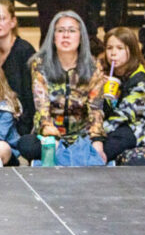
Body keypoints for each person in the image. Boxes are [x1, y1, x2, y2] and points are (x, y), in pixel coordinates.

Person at [19, 11, 105, 164]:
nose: (66, 35)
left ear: (81, 37)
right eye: (60, 30)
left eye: (72, 31)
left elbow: (95, 109)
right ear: (53, 37)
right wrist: (53, 138)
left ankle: (77, 154)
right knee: (26, 144)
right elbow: (42, 107)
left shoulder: (94, 67)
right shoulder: (40, 65)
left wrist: (97, 141)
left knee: (110, 145)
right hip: (49, 135)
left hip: (82, 136)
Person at [101, 27, 145, 160]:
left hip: (134, 128)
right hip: (108, 124)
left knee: (108, 146)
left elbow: (125, 114)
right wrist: (97, 87)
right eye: (109, 48)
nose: (113, 53)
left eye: (120, 48)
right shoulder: (104, 72)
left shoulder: (140, 78)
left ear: (131, 50)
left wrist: (97, 132)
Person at [0, 0, 35, 135]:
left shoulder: (25, 51)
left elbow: (31, 97)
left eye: (2, 18)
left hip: (20, 124)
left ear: (13, 22)